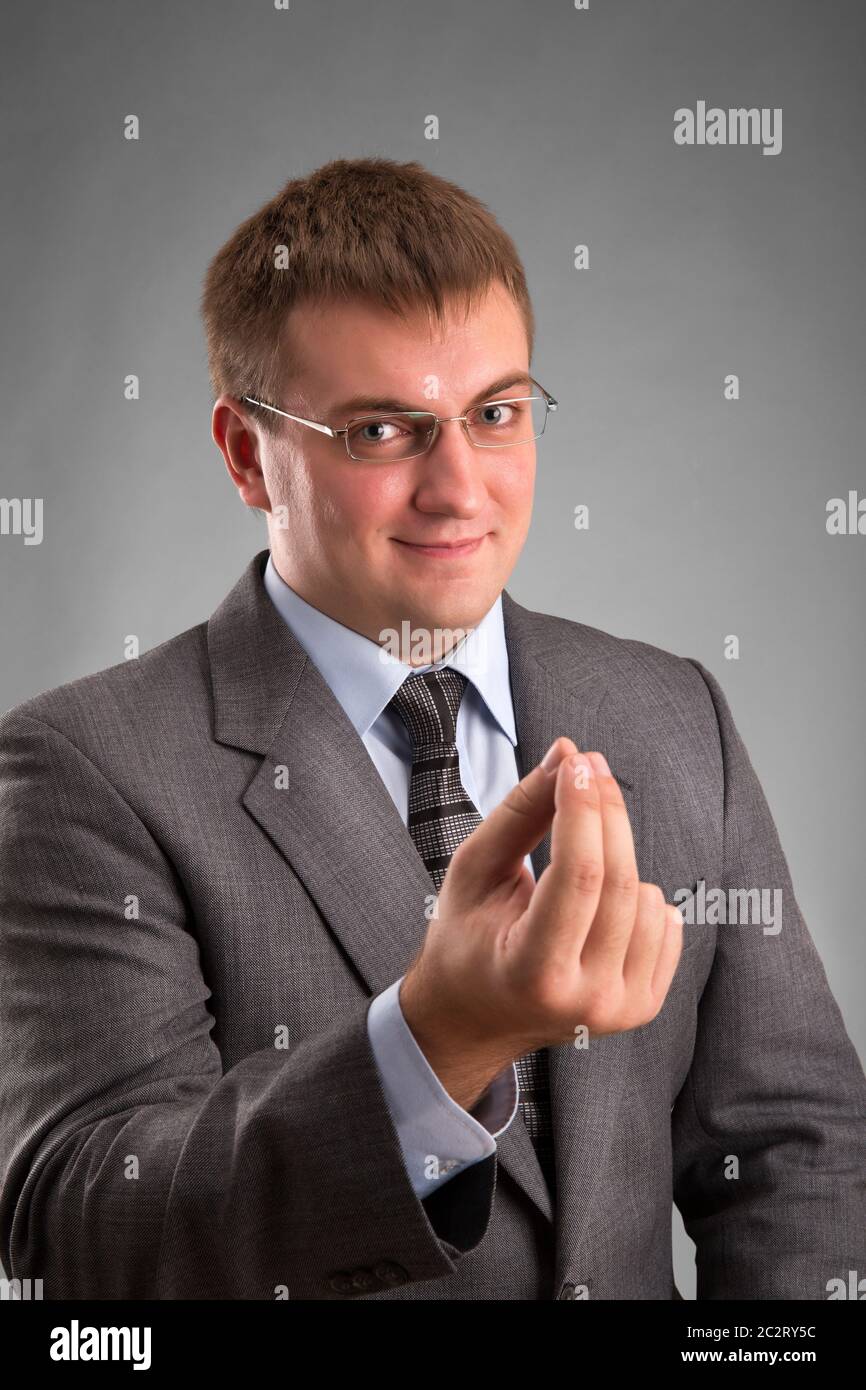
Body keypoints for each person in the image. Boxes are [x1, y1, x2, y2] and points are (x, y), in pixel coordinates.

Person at [0, 157, 863, 1301]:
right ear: (248, 453)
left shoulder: (670, 715)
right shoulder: (86, 766)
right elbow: (87, 1225)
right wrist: (434, 1044)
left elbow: (799, 1157)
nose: (460, 487)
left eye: (495, 413)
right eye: (381, 431)